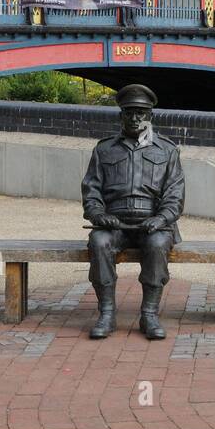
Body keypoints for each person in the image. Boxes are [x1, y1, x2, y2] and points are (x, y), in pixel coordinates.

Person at [81, 84, 185, 340]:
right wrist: (98, 215)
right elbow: (91, 191)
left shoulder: (167, 150)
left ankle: (149, 315)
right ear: (121, 115)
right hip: (114, 225)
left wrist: (161, 218)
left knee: (158, 243)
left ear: (150, 116)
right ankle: (106, 313)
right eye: (129, 112)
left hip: (153, 224)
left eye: (141, 112)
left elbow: (175, 195)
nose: (135, 118)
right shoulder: (104, 149)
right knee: (99, 240)